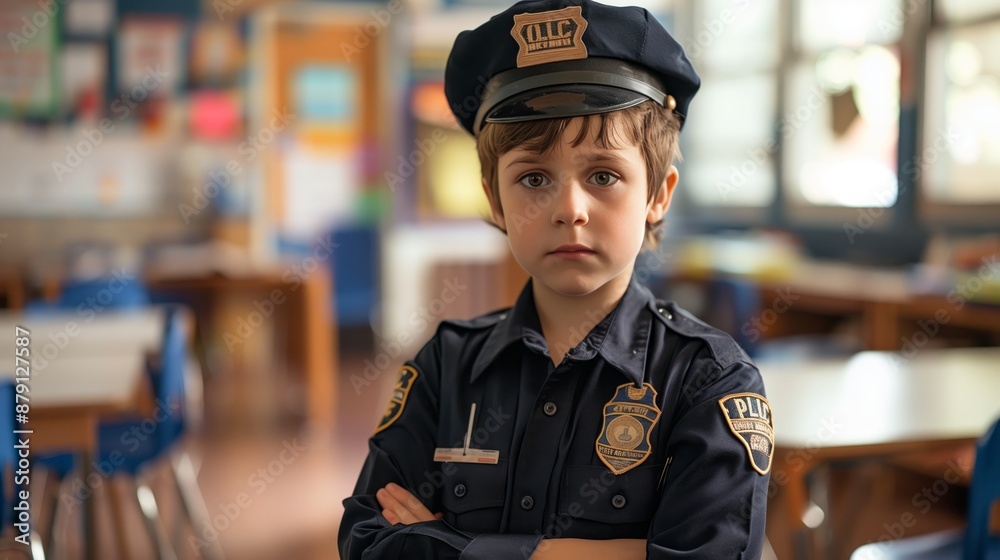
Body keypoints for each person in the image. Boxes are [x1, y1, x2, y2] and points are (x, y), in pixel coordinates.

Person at [339, 0, 773, 558]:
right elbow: (367, 542)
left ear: (658, 195)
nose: (570, 208)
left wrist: (455, 545)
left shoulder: (709, 381)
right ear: (495, 200)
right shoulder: (445, 366)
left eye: (603, 174)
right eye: (534, 177)